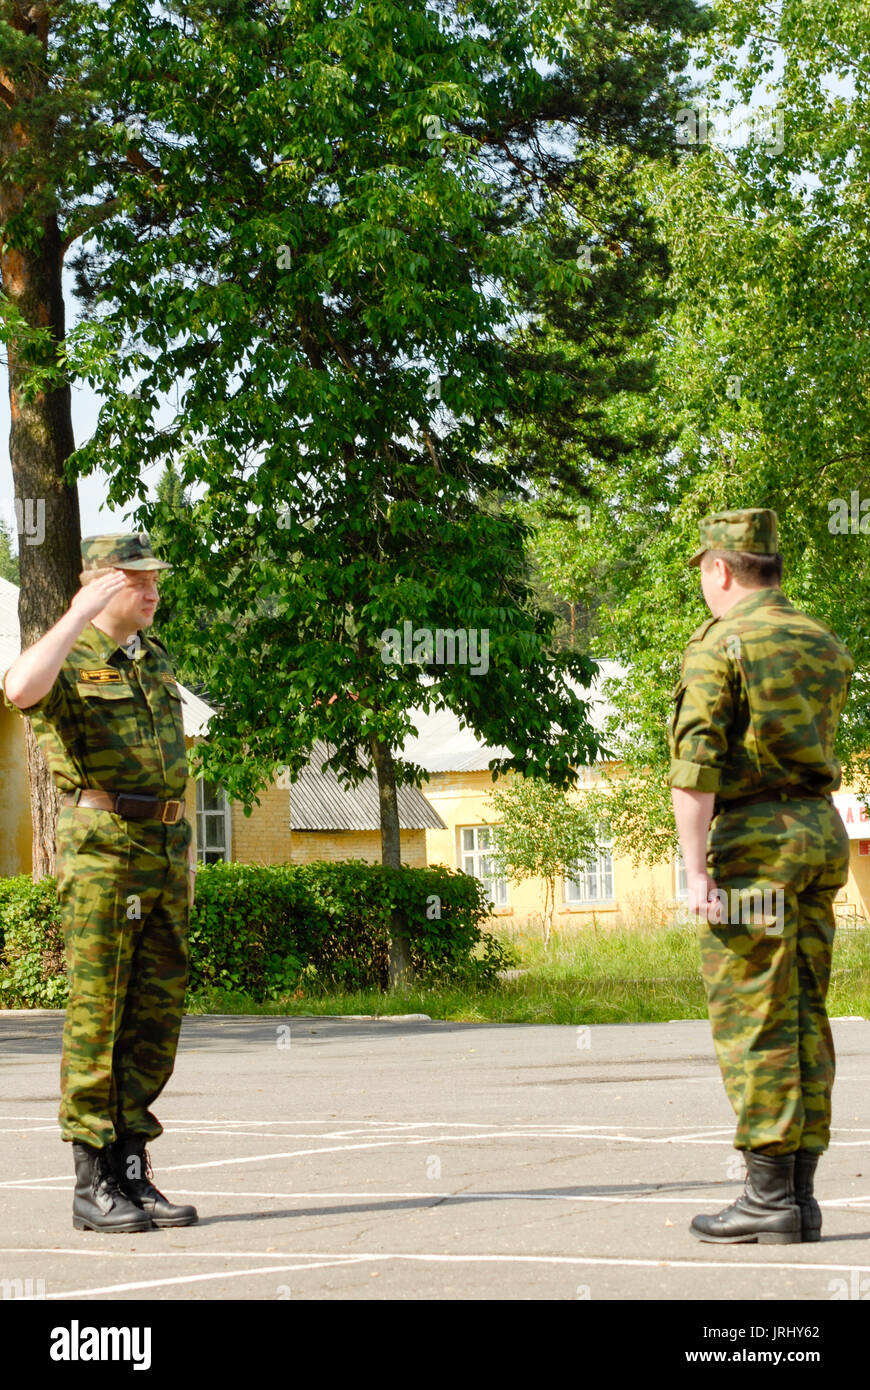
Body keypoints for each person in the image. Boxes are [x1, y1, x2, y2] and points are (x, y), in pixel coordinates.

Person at [2, 532, 198, 1232]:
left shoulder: (154, 661)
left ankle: (133, 1172)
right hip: (105, 849)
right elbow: (18, 688)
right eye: (137, 580)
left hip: (165, 847)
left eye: (154, 580)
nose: (152, 591)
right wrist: (77, 613)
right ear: (102, 584)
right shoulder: (71, 655)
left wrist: (184, 856)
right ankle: (91, 1185)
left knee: (155, 1012)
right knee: (100, 1013)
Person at [668, 508, 853, 1244]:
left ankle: (766, 1196)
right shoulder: (821, 640)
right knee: (805, 1013)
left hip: (755, 846)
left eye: (704, 576)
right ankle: (798, 1198)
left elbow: (695, 770)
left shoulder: (722, 644)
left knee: (755, 1019)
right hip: (817, 834)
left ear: (720, 570)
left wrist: (693, 875)